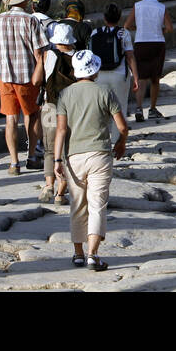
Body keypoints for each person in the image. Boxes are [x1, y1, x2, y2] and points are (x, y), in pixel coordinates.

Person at [55, 49, 129, 272]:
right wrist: (121, 142)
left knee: (78, 205)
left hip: (74, 156)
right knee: (97, 205)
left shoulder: (65, 94)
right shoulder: (105, 92)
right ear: (95, 70)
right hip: (100, 155)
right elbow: (122, 127)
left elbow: (61, 130)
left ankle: (78, 253)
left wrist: (57, 159)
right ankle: (93, 255)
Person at [0, 0, 50, 175]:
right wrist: (43, 76)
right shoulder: (30, 21)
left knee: (10, 119)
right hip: (27, 77)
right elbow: (39, 53)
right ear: (25, 1)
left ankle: (14, 163)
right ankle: (31, 156)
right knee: (32, 115)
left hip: (5, 76)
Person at [39, 20, 79, 204]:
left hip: (50, 105)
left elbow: (36, 80)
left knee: (49, 147)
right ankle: (61, 192)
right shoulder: (78, 57)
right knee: (67, 149)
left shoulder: (47, 55)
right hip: (71, 108)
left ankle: (49, 185)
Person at [124, 0, 172, 121]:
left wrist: (138, 28)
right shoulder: (161, 7)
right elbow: (169, 27)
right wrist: (161, 30)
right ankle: (152, 108)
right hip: (157, 43)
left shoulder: (137, 6)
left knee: (141, 78)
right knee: (155, 78)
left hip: (141, 42)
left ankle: (139, 108)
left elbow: (127, 25)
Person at [91, 3, 138, 121]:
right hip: (119, 75)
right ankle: (119, 132)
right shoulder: (124, 33)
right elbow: (130, 57)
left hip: (99, 75)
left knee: (101, 109)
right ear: (119, 17)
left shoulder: (95, 32)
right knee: (120, 107)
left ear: (104, 18)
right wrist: (136, 77)